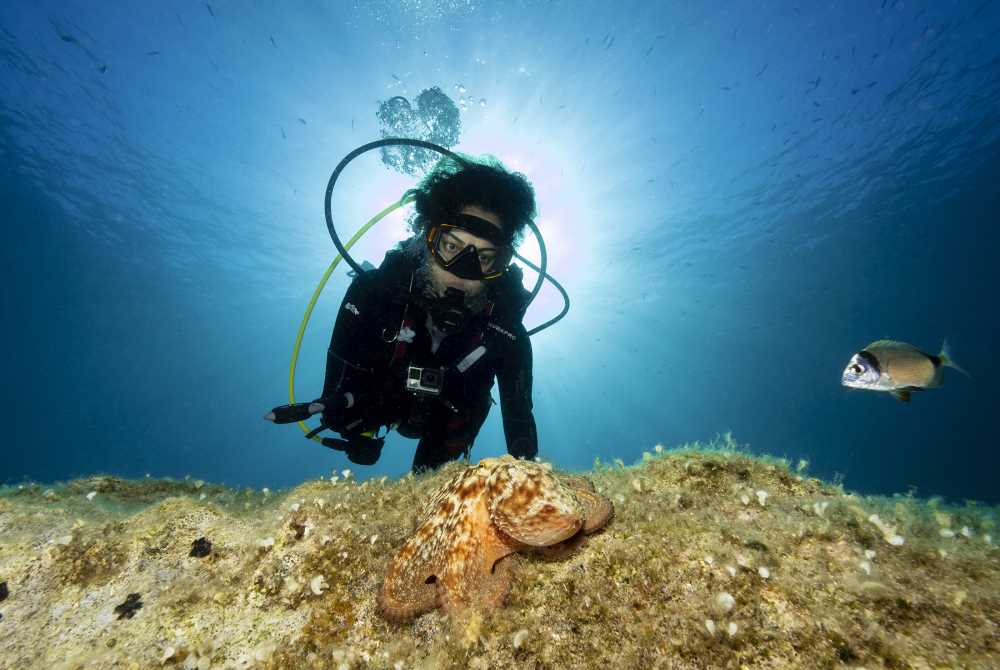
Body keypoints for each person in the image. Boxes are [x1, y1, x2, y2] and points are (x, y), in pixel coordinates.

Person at [317, 156, 539, 471]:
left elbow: (521, 431)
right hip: (383, 402)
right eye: (451, 246)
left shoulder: (505, 331)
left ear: (500, 267)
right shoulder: (375, 293)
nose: (463, 272)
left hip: (448, 420)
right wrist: (357, 423)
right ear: (427, 239)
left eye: (486, 258)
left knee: (433, 480)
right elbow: (334, 399)